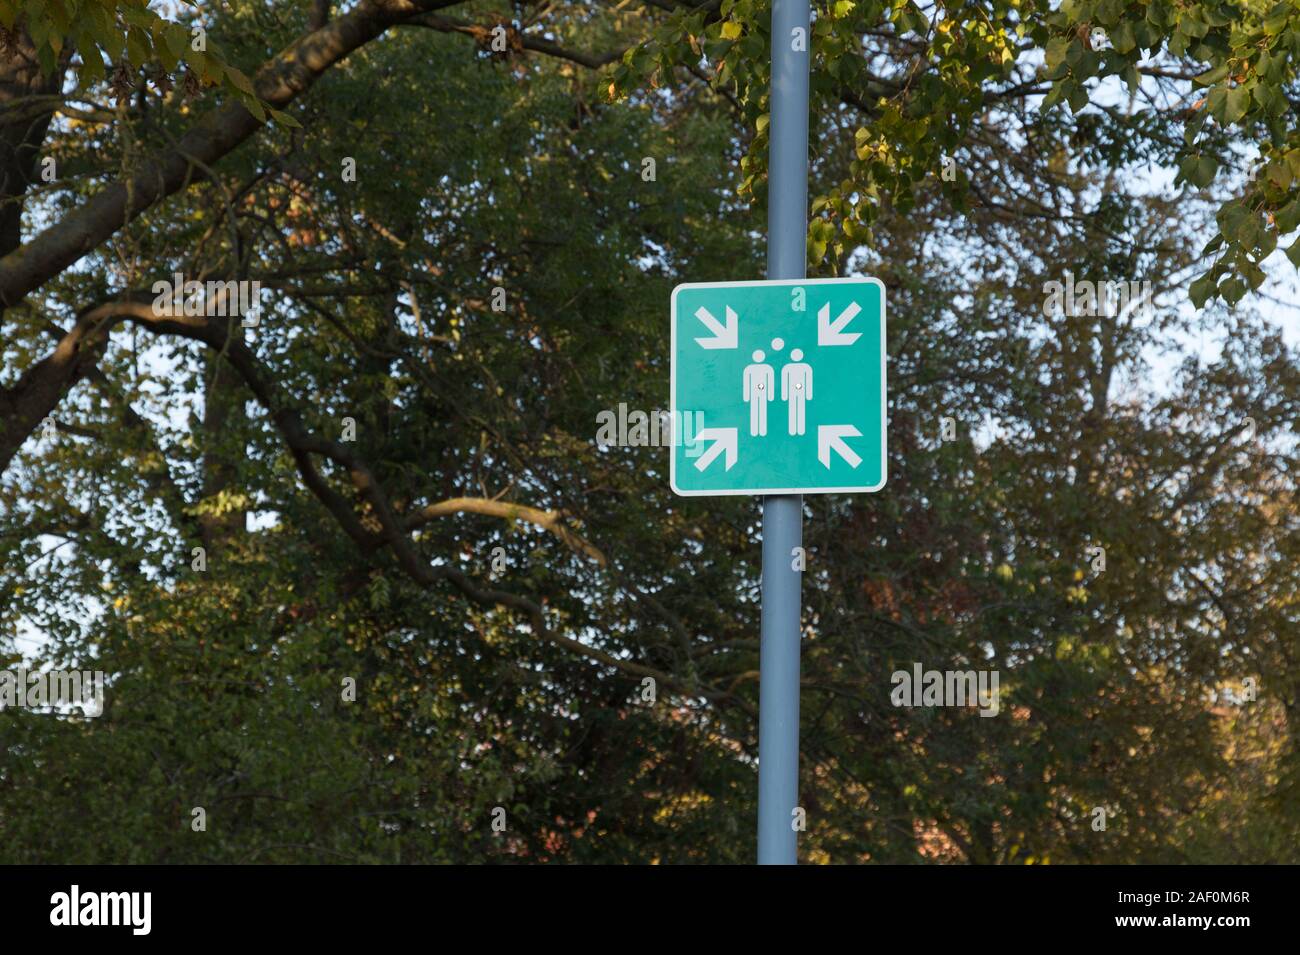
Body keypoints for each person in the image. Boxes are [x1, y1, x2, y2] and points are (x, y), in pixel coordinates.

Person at [781, 348, 812, 435]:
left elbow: (808, 380)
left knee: (801, 409)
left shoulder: (806, 367)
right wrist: (784, 395)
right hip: (791, 392)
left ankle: (801, 429)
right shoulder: (787, 368)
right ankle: (792, 429)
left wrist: (808, 394)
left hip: (801, 392)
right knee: (792, 409)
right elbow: (784, 381)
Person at [742, 349, 774, 436]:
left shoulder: (768, 368)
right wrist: (746, 396)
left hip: (763, 393)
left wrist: (770, 395)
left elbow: (770, 381)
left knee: (762, 410)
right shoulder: (749, 369)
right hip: (754, 393)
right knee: (754, 411)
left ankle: (762, 430)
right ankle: (754, 430)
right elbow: (746, 382)